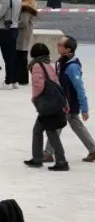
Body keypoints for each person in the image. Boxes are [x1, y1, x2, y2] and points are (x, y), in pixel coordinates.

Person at [25, 41, 69, 170]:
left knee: (50, 132)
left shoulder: (37, 66)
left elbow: (38, 86)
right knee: (39, 130)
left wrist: (35, 99)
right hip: (53, 103)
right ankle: (38, 158)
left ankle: (61, 161)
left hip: (46, 105)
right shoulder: (47, 64)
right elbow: (56, 82)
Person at [56, 36, 95, 163]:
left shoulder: (72, 67)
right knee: (76, 125)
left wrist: (85, 108)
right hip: (66, 102)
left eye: (60, 45)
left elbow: (80, 88)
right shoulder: (62, 62)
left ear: (68, 50)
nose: (57, 46)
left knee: (56, 125)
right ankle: (93, 150)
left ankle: (48, 152)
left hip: (68, 104)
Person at [0, 0, 23, 88]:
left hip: (6, 30)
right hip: (15, 29)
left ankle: (8, 81)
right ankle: (15, 81)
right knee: (13, 56)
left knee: (7, 57)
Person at [17, 0, 39, 87]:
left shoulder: (25, 8)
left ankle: (22, 78)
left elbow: (23, 22)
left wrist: (14, 24)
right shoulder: (28, 6)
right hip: (26, 33)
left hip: (23, 33)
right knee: (22, 56)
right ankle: (22, 78)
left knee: (21, 56)